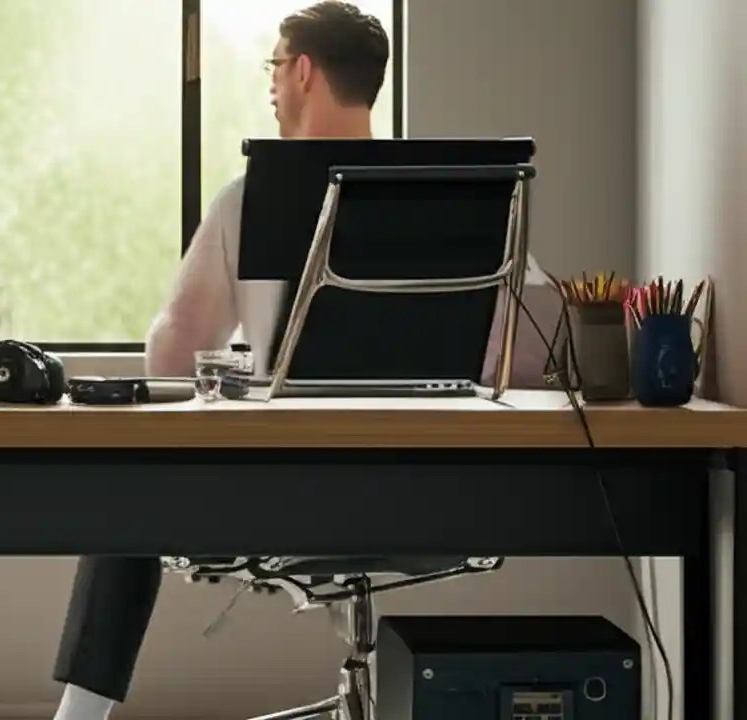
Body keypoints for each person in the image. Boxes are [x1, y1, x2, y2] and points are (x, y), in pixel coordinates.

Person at [49, 4, 555, 720]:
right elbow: (533, 354)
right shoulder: (469, 202)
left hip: (278, 503)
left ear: (304, 72)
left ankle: (80, 715)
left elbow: (166, 358)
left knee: (129, 477)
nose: (273, 87)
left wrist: (245, 367)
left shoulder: (253, 199)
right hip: (440, 504)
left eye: (274, 69)